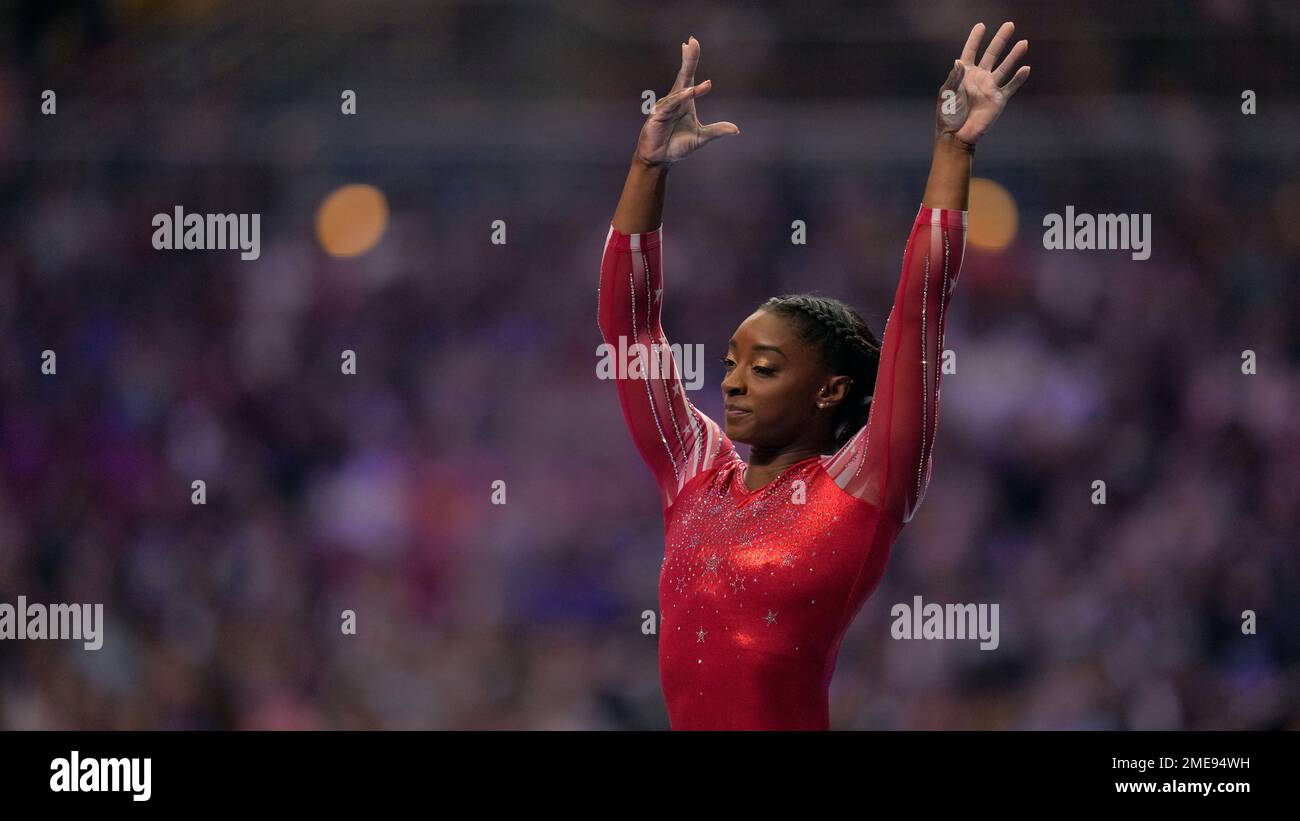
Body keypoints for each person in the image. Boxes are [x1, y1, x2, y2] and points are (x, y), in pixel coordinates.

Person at [597, 24, 1030, 730]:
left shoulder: (864, 485)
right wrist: (647, 168)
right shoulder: (696, 472)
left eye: (764, 368)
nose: (732, 383)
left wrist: (953, 148)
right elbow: (631, 330)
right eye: (732, 362)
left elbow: (919, 314)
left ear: (830, 391)